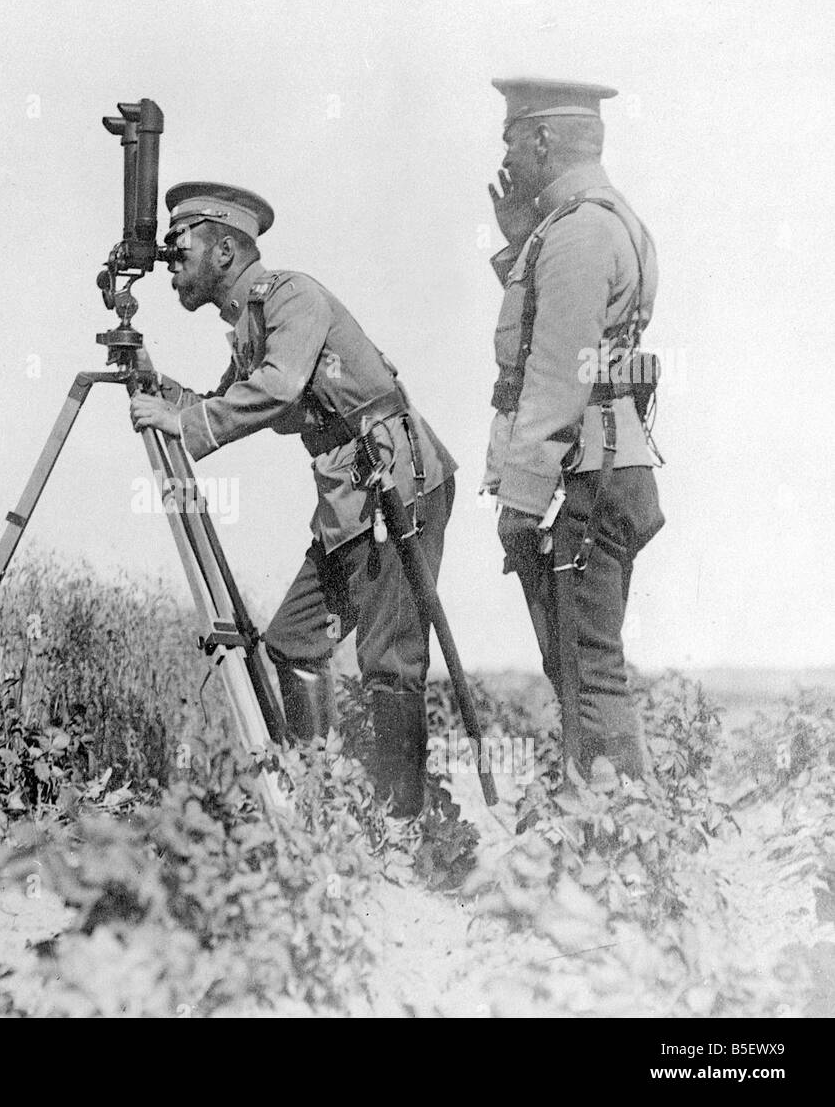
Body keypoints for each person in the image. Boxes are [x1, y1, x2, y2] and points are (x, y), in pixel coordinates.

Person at [129, 182, 457, 815]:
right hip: (350, 497)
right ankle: (318, 802)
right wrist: (162, 391)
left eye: (181, 246)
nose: (173, 263)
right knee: (293, 644)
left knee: (388, 661)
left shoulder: (290, 296)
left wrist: (187, 426)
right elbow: (224, 399)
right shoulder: (249, 321)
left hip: (399, 484)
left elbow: (276, 390)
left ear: (225, 251)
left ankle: (405, 824)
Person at [482, 78, 665, 782]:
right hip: (607, 467)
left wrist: (520, 500)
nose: (506, 154)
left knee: (589, 679)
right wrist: (522, 242)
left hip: (588, 475)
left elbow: (556, 377)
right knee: (583, 670)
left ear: (542, 140)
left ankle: (622, 848)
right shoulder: (599, 221)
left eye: (512, 138)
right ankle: (613, 838)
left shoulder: (580, 234)